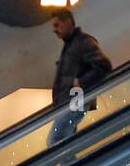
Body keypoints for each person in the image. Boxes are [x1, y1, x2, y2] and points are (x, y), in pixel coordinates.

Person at [47, 8, 113, 147]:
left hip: (74, 102)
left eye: (57, 25)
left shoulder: (82, 43)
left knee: (55, 142)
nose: (54, 30)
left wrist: (80, 82)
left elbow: (104, 65)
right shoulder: (74, 44)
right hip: (73, 102)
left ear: (68, 22)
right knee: (66, 144)